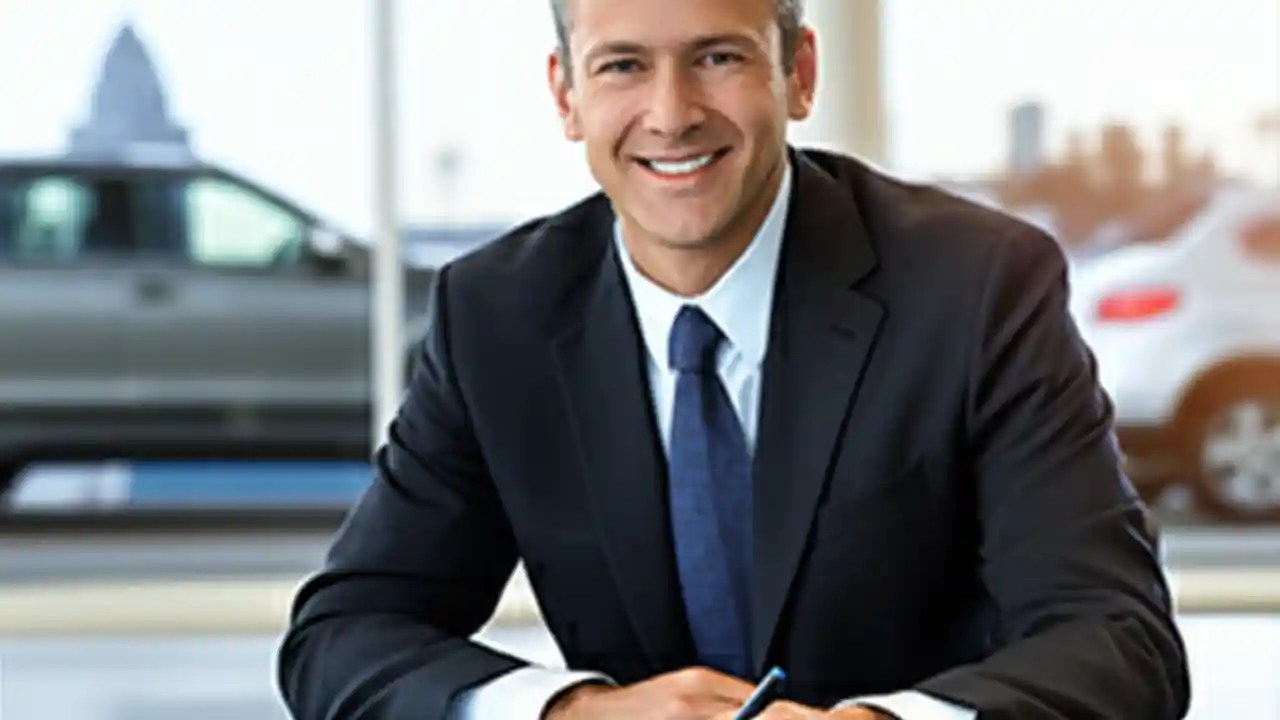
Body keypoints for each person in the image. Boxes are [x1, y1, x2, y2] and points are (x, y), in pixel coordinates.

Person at [277, 0, 1191, 717]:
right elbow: (344, 634)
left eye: (718, 57)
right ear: (566, 95)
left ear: (799, 74)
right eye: (623, 66)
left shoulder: (979, 287)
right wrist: (575, 712)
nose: (671, 115)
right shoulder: (495, 316)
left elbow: (1117, 637)